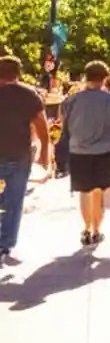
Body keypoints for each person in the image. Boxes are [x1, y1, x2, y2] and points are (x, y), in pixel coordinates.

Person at [61, 61, 110, 247]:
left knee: (84, 192)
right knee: (98, 191)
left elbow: (64, 127)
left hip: (78, 151)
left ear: (85, 77)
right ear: (105, 78)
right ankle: (96, 231)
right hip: (104, 152)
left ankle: (85, 229)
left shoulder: (70, 101)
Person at [0, 56, 50, 262]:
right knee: (15, 199)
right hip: (19, 154)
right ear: (18, 73)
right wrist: (45, 154)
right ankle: (5, 244)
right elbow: (41, 126)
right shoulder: (30, 95)